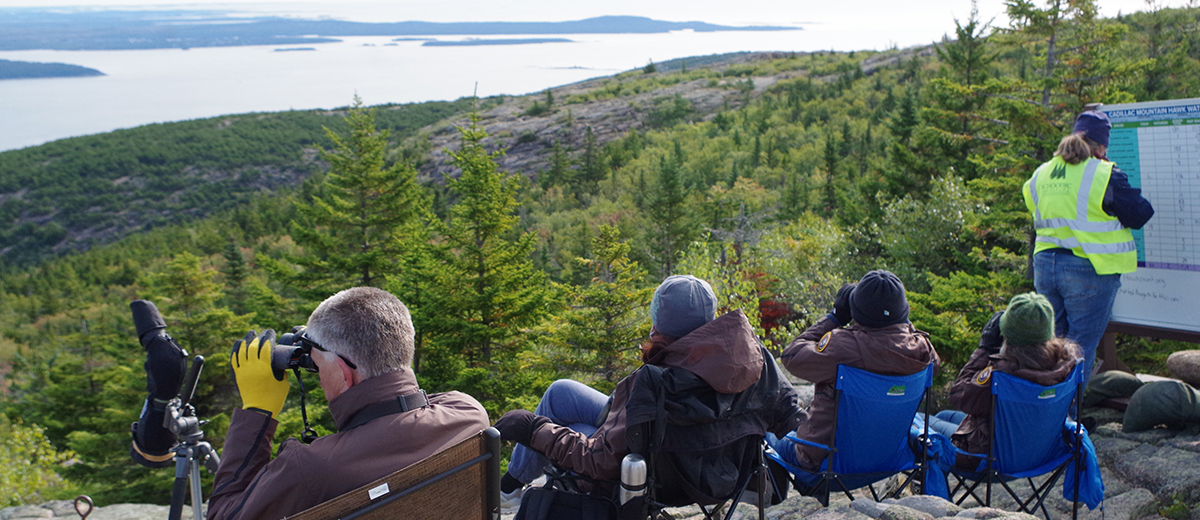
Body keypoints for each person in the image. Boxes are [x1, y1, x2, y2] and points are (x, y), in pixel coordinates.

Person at [492, 275, 803, 511]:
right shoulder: (754, 359)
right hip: (722, 472)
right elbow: (791, 415)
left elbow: (600, 462)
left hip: (659, 483)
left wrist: (532, 429)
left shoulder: (655, 381)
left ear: (659, 323)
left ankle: (508, 491)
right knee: (561, 392)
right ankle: (509, 488)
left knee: (574, 428)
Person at [206, 287, 490, 520]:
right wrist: (325, 342)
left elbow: (223, 514)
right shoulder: (468, 415)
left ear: (343, 372)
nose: (317, 376)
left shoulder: (310, 468)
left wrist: (257, 411)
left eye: (317, 365)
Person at [1023, 109, 1154, 387]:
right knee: (1079, 348)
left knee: (1051, 345)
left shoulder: (1042, 172)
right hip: (1088, 269)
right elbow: (1140, 214)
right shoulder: (1103, 173)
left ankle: (1047, 415)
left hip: (1046, 267)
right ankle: (1071, 420)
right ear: (1102, 146)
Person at [774, 270, 940, 472]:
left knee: (770, 435)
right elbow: (931, 361)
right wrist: (898, 318)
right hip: (887, 460)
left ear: (856, 312)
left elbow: (791, 356)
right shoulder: (923, 350)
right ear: (903, 311)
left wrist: (835, 317)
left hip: (826, 463)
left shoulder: (842, 347)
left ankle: (770, 500)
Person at [930, 293, 1081, 469]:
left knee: (923, 422)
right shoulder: (1066, 367)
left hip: (990, 460)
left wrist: (983, 349)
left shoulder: (1002, 375)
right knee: (943, 416)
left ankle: (933, 493)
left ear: (1007, 333)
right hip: (1043, 454)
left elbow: (959, 396)